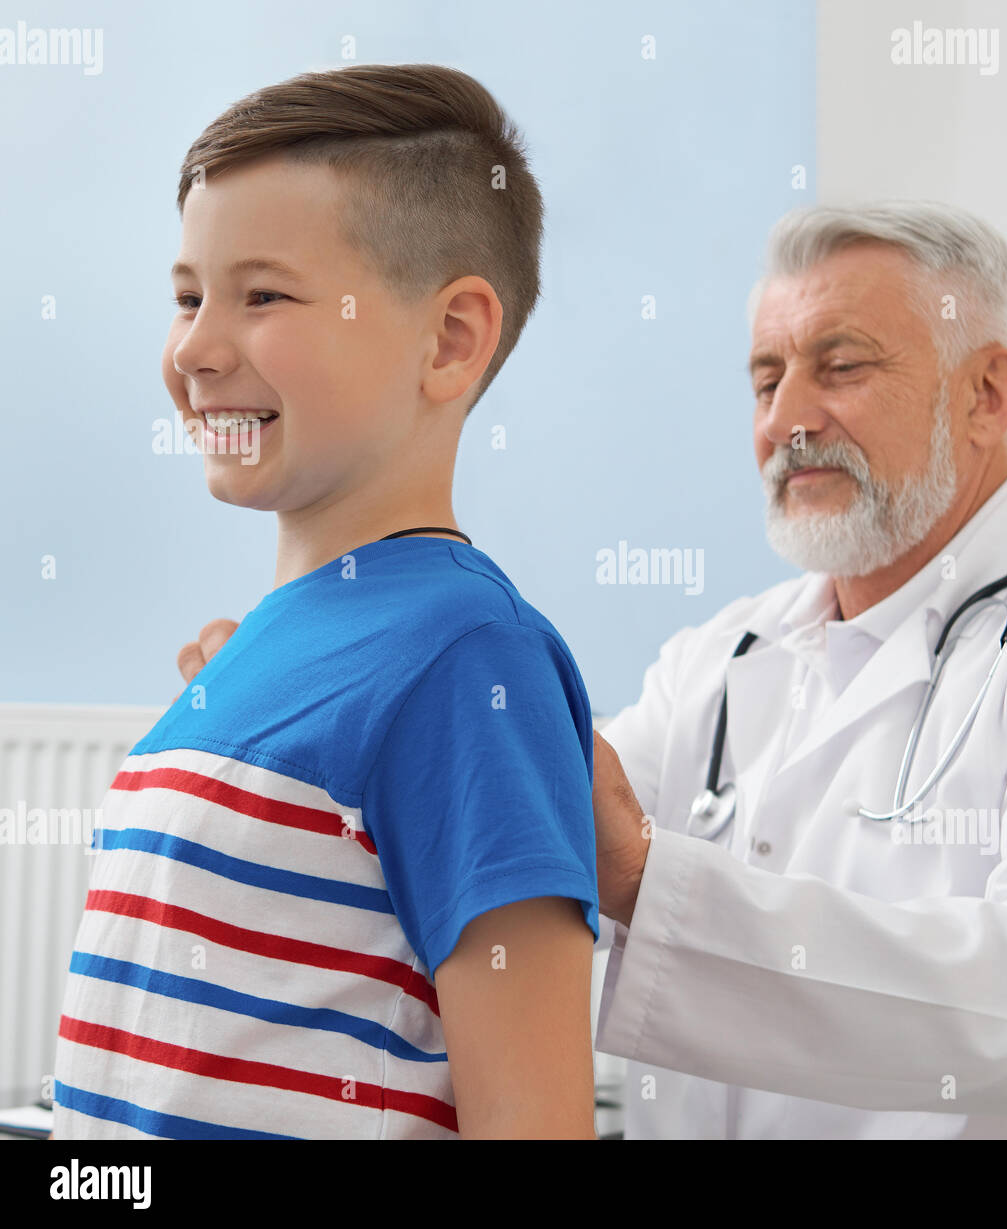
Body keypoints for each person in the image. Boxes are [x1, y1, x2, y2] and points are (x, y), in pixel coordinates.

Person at [177, 200, 1007, 1139]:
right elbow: (525, 822)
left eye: (840, 367)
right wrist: (332, 710)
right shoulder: (726, 654)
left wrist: (650, 876)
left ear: (986, 394)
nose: (788, 420)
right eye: (764, 379)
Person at [52, 63, 600, 1140]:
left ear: (450, 339)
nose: (196, 350)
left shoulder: (468, 659)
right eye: (186, 295)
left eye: (262, 295)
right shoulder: (248, 653)